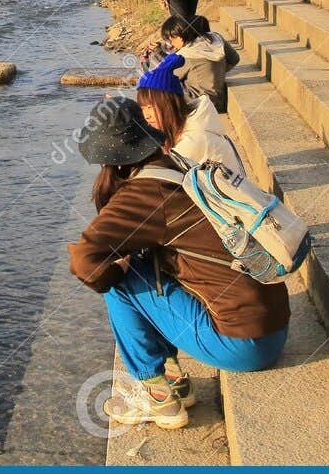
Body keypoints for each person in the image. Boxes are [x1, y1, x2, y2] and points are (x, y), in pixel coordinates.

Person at [69, 93, 290, 429]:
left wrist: (115, 271)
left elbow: (85, 262)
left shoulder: (144, 193)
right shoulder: (180, 164)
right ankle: (175, 379)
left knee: (120, 283)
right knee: (138, 268)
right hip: (272, 328)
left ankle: (158, 398)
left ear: (110, 157)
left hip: (243, 345)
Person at [159, 15, 237, 113]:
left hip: (197, 104)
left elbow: (163, 78)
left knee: (160, 88)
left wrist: (155, 57)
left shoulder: (185, 56)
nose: (170, 44)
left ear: (179, 37)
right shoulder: (216, 39)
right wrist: (216, 72)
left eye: (169, 40)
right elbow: (234, 59)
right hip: (218, 101)